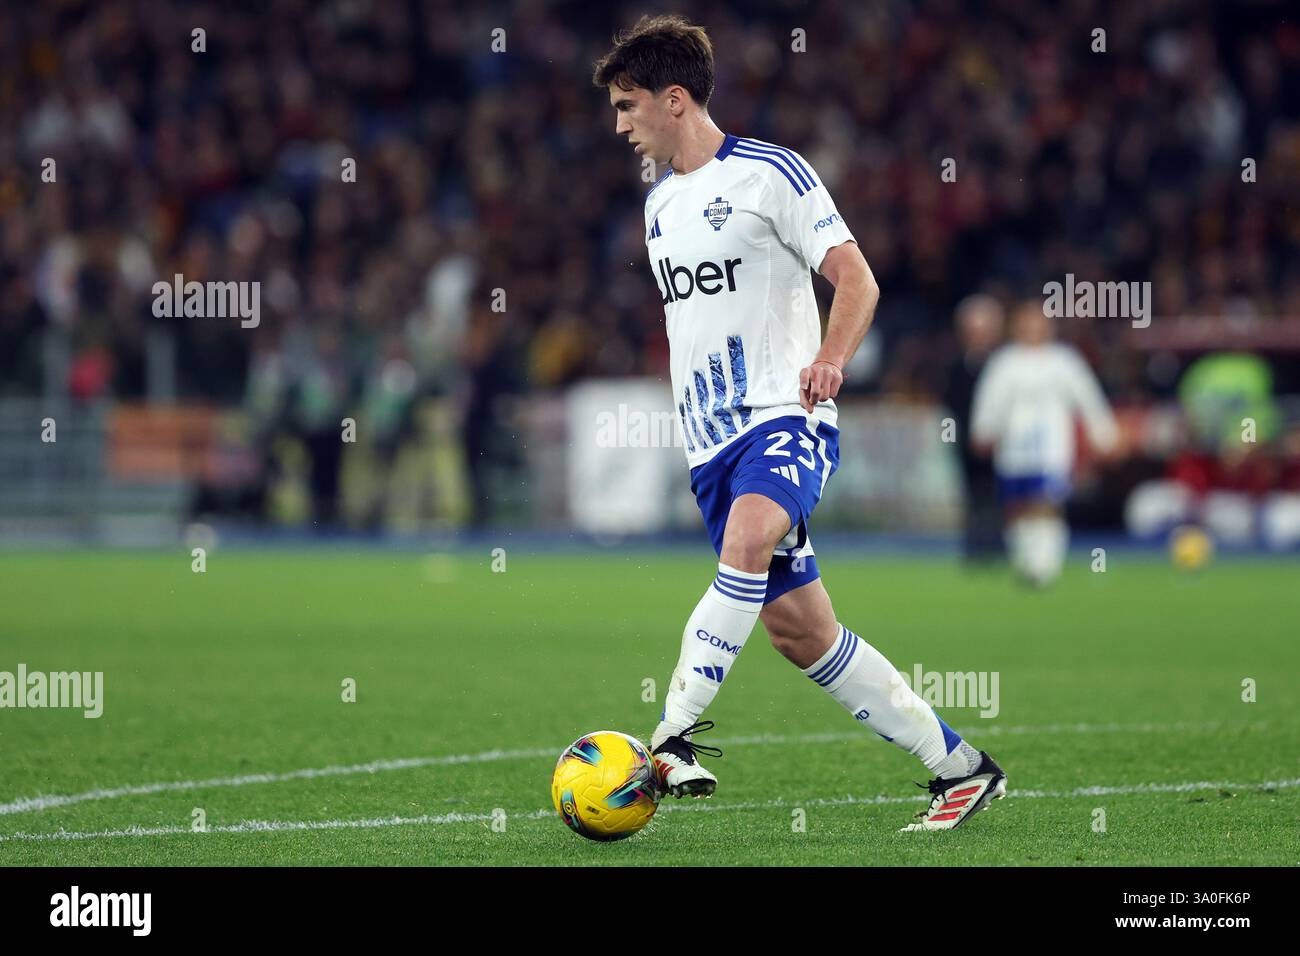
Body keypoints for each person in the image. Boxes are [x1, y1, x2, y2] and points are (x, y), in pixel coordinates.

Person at [592, 14, 1006, 830]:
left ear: (674, 100)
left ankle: (671, 735)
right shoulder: (660, 206)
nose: (619, 126)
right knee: (802, 633)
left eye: (627, 106)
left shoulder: (771, 173)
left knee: (748, 542)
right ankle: (960, 768)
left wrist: (832, 360)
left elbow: (857, 280)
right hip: (710, 447)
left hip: (787, 417)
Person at [970, 301, 1119, 586]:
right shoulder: (1005, 362)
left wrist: (1103, 433)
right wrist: (984, 430)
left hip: (1051, 446)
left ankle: (1046, 563)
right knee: (1018, 505)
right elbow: (990, 400)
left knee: (1047, 502)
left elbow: (1087, 398)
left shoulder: (1063, 361)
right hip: (1013, 447)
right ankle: (1025, 560)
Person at [942, 294, 1006, 563]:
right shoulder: (956, 368)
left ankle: (1002, 547)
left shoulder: (1006, 365)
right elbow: (950, 406)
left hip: (1003, 445)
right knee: (973, 496)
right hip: (967, 445)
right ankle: (975, 548)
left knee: (1001, 496)